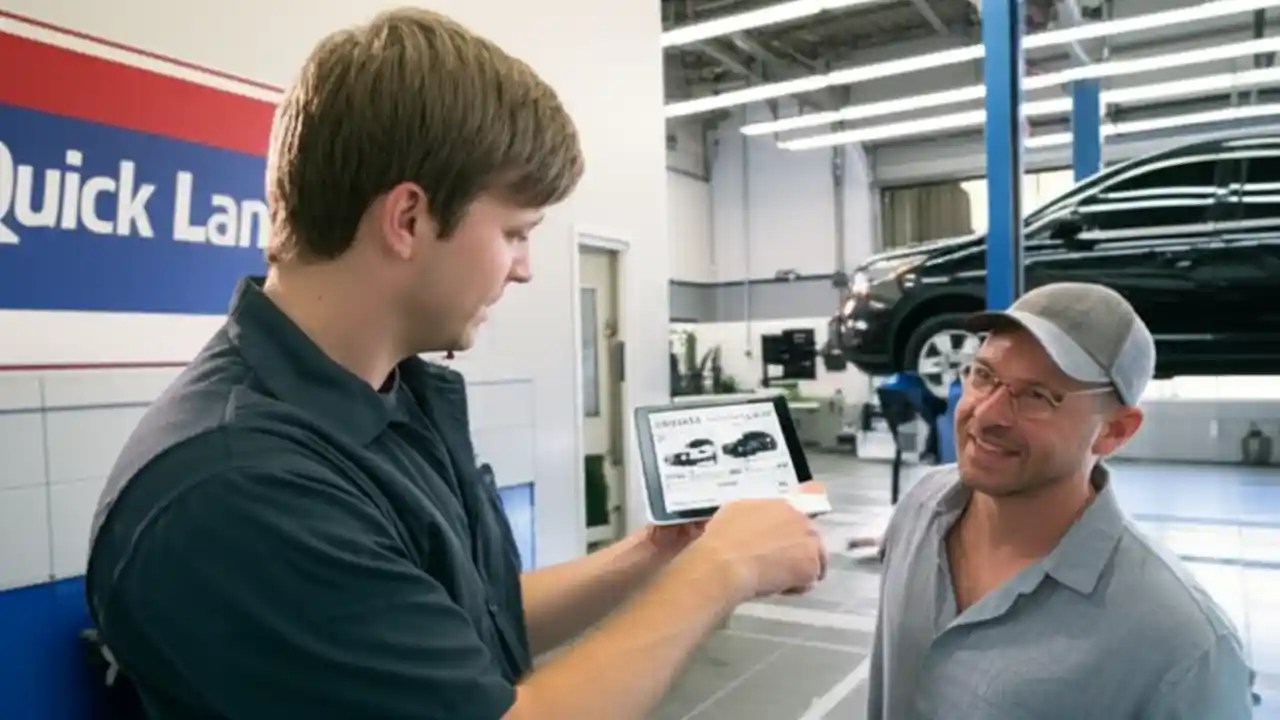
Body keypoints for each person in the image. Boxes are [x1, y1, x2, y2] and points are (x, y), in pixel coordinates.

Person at [85, 8, 828, 720]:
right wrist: (721, 571)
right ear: (407, 219)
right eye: (514, 232)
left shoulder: (388, 401)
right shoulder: (240, 488)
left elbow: (475, 625)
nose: (524, 269)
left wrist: (658, 553)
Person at [866, 282, 1256, 719]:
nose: (989, 414)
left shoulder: (1184, 646)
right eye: (983, 375)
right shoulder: (919, 508)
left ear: (1115, 431)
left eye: (1037, 396)